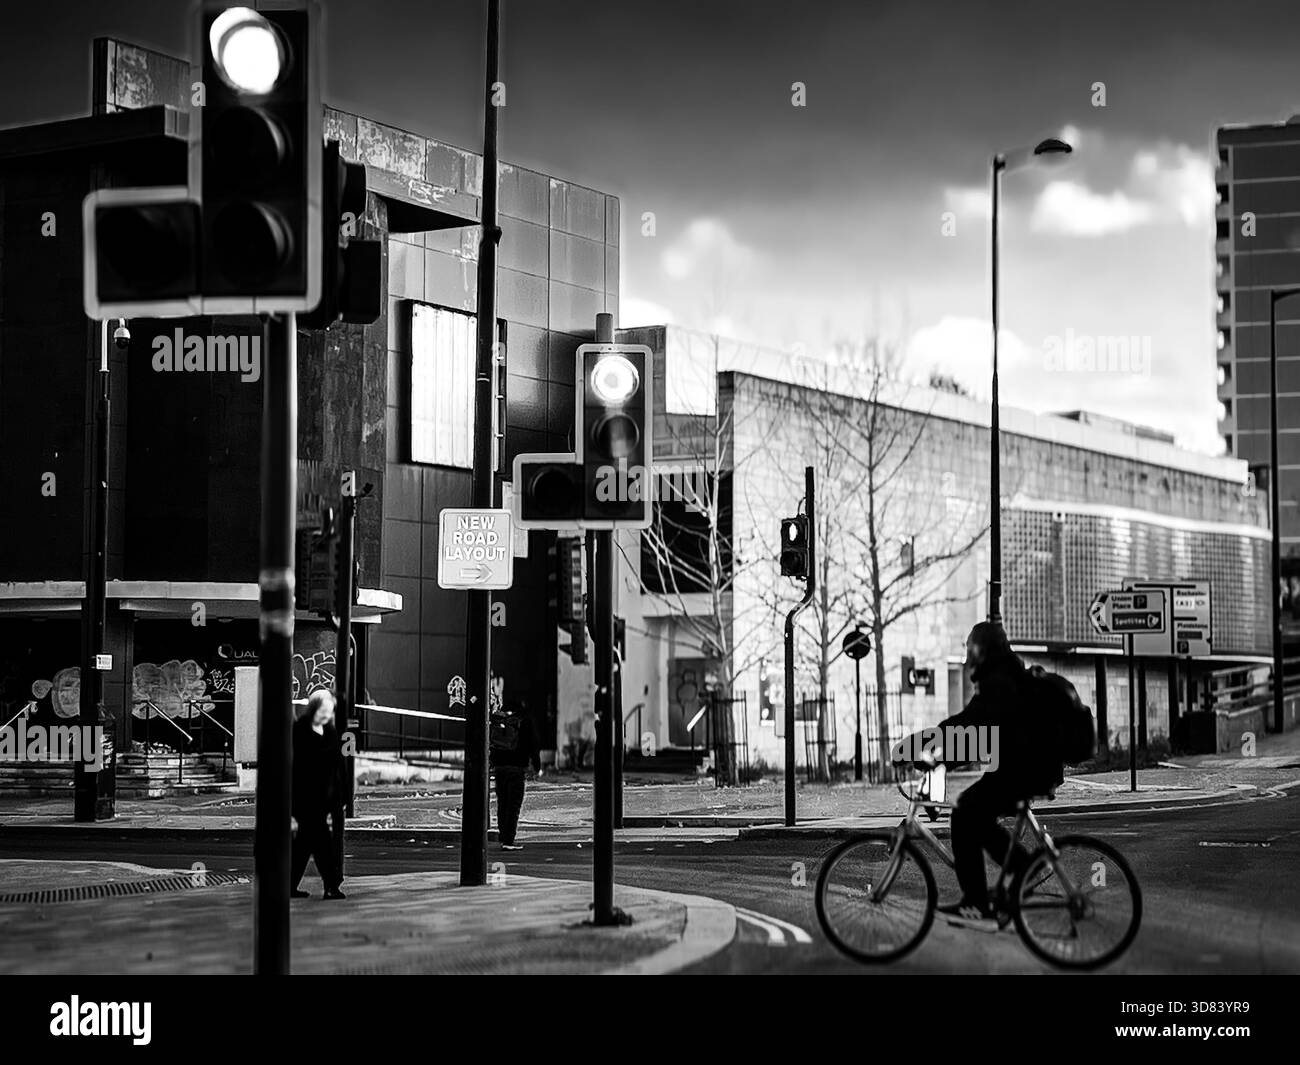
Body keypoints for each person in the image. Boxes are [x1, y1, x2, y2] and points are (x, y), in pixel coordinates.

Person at [902, 621, 1063, 927]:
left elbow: (969, 725)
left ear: (981, 648)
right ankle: (1021, 866)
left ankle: (977, 903)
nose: (967, 655)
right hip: (1023, 765)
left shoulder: (998, 681)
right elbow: (976, 737)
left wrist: (926, 744)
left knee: (965, 814)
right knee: (974, 812)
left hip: (1025, 769)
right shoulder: (1003, 676)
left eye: (969, 648)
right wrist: (941, 762)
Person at [290, 690, 345, 899]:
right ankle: (331, 886)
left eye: (330, 711)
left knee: (303, 846)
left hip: (326, 796)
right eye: (323, 710)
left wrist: (340, 797)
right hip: (306, 797)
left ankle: (291, 884)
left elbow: (337, 766)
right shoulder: (300, 730)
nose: (326, 715)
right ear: (314, 708)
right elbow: (297, 767)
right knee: (322, 845)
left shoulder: (330, 731)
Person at [490, 701, 541, 851]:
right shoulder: (525, 721)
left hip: (500, 767)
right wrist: (536, 766)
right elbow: (533, 744)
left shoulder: (501, 719)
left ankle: (503, 835)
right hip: (517, 767)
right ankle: (508, 840)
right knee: (513, 805)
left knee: (503, 802)